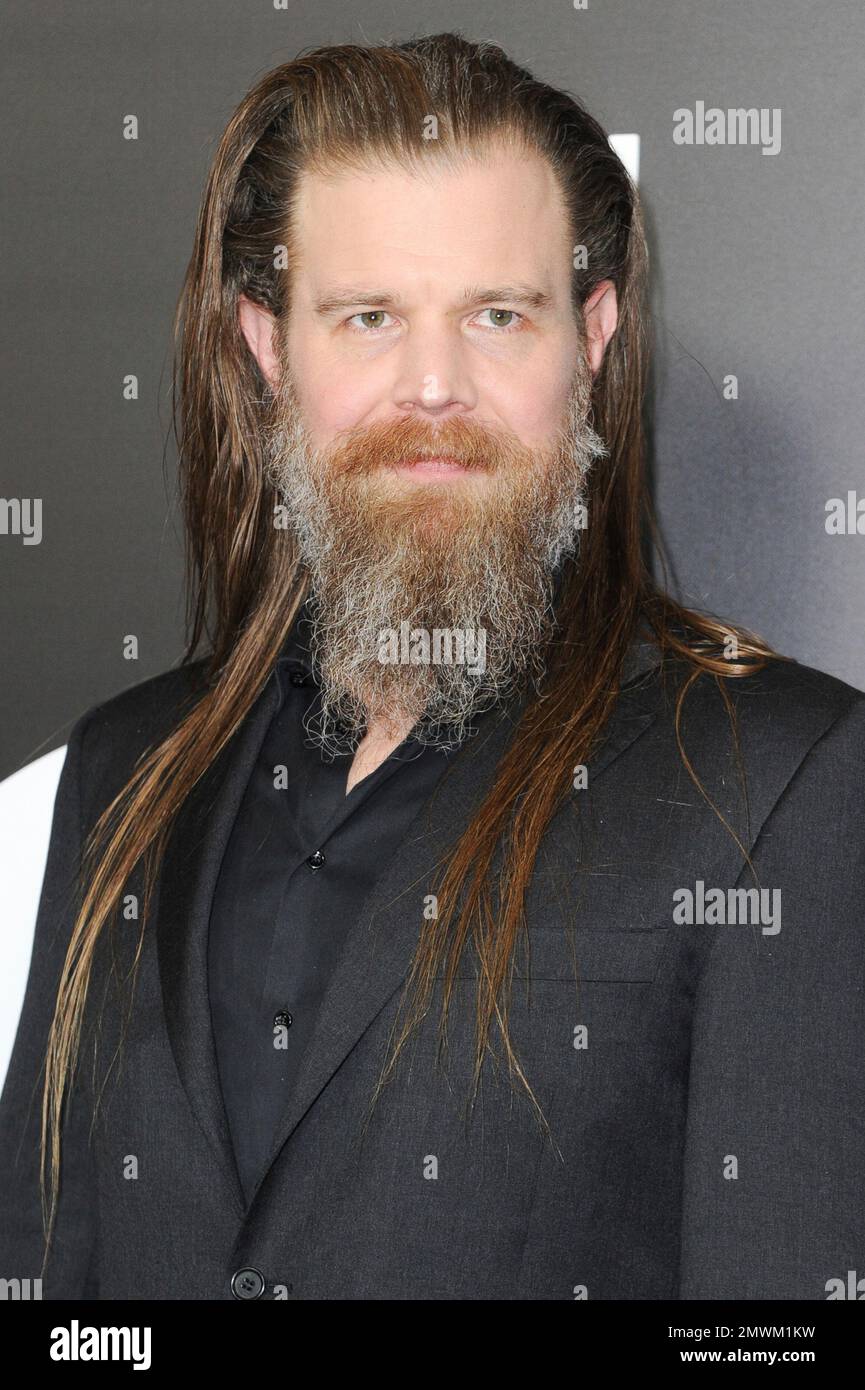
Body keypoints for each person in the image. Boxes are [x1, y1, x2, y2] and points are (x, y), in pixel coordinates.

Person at [1, 32, 863, 1301]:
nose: (432, 389)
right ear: (267, 347)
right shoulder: (125, 771)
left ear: (593, 337)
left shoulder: (778, 780)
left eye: (497, 315)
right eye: (367, 318)